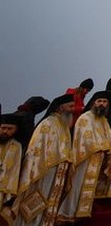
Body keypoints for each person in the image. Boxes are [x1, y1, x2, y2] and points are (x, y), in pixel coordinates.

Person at [12, 94, 74, 226]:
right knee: (37, 201)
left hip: (57, 173)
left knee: (48, 203)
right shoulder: (47, 123)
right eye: (70, 106)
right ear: (61, 108)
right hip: (43, 172)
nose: (73, 109)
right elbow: (36, 150)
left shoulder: (64, 125)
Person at [59, 91, 111, 220]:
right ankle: (69, 213)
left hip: (98, 158)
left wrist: (110, 150)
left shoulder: (103, 120)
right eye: (99, 101)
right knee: (79, 184)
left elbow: (109, 137)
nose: (102, 104)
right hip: (85, 158)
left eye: (104, 102)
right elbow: (87, 139)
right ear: (94, 102)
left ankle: (83, 211)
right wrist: (103, 147)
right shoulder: (85, 118)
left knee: (90, 186)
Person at [1, 113, 23, 224]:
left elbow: (15, 170)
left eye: (9, 129)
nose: (5, 131)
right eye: (3, 128)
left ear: (16, 129)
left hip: (3, 189)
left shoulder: (16, 146)